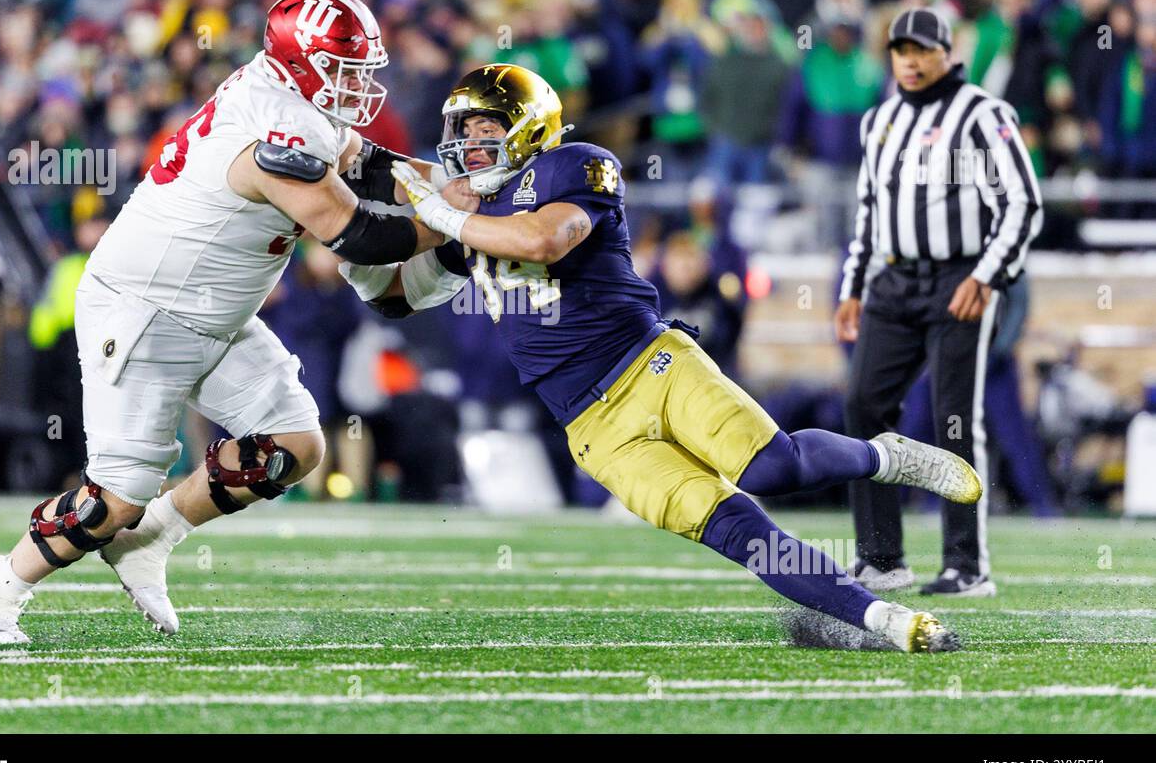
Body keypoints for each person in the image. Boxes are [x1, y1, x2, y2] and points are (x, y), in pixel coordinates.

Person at [341, 63, 983, 653]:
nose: (470, 144)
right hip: (592, 430)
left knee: (770, 470)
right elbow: (398, 296)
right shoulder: (471, 220)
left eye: (488, 128)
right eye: (464, 130)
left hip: (652, 365)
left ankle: (886, 456)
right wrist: (351, 250)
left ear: (530, 128)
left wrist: (440, 215)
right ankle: (888, 623)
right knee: (742, 536)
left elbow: (541, 239)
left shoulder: (573, 166)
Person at [0, 0, 447, 644]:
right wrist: (458, 218)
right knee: (112, 501)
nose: (359, 86)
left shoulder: (296, 103)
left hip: (211, 312)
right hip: (145, 308)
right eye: (344, 70)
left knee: (294, 446)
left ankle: (150, 541)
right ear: (302, 64)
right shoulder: (278, 127)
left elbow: (369, 169)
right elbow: (363, 237)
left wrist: (450, 182)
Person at [835, 7, 1043, 596]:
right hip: (894, 281)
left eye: (921, 49)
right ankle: (880, 558)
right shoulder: (878, 120)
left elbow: (1022, 203)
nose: (910, 59)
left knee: (954, 416)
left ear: (947, 53)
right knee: (862, 407)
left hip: (958, 279)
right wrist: (853, 286)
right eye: (900, 49)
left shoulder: (982, 114)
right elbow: (869, 212)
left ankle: (966, 563)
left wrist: (987, 275)